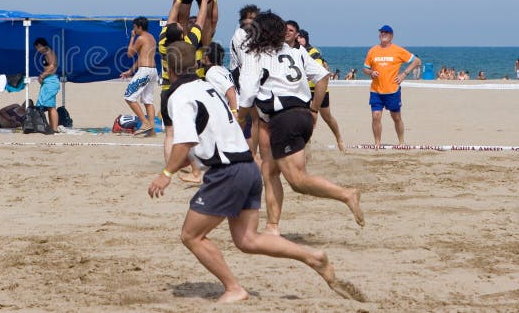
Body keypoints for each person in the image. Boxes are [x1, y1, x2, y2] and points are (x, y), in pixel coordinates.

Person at [147, 41, 363, 304]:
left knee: (191, 235)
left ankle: (234, 288)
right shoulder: (208, 87)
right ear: (196, 62)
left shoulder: (178, 97)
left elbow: (185, 142)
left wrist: (166, 173)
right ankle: (313, 257)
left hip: (227, 172)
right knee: (248, 239)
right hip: (249, 168)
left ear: (168, 69)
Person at [239, 12, 364, 236]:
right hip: (300, 116)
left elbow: (247, 95)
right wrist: (314, 109)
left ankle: (346, 194)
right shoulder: (296, 52)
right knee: (269, 171)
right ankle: (272, 227)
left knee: (297, 180)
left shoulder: (255, 55)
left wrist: (239, 122)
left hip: (284, 119)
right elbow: (323, 77)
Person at [158, 0, 214, 184]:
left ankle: (169, 168)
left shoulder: (163, 45)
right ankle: (195, 171)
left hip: (166, 92)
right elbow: (199, 21)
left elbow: (171, 21)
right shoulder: (189, 44)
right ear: (182, 34)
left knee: (169, 133)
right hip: (184, 93)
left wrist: (177, 1)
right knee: (191, 133)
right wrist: (205, 1)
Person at [363, 25, 421, 148]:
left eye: (386, 33)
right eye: (381, 32)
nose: (383, 34)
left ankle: (401, 142)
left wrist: (404, 74)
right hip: (376, 90)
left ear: (391, 36)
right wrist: (371, 73)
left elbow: (417, 61)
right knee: (376, 116)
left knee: (396, 117)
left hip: (392, 90)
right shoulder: (372, 50)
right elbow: (365, 68)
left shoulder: (398, 50)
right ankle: (377, 143)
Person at [296, 28, 345, 153]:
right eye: (298, 37)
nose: (300, 39)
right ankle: (307, 148)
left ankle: (339, 139)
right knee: (308, 121)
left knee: (327, 117)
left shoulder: (313, 51)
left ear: (306, 39)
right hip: (304, 91)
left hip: (319, 89)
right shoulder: (294, 51)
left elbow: (317, 70)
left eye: (302, 37)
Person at [229, 4, 261, 157]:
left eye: (254, 18)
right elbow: (246, 63)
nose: (250, 21)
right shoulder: (240, 35)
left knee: (255, 120)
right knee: (248, 120)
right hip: (242, 80)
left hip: (254, 80)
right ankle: (250, 154)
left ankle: (252, 153)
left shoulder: (257, 36)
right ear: (241, 20)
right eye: (247, 18)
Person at [120, 17, 158, 136]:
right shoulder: (151, 37)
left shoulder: (140, 38)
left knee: (129, 96)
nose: (133, 30)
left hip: (145, 71)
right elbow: (142, 57)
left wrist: (132, 37)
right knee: (148, 100)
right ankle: (151, 131)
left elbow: (130, 54)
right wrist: (130, 71)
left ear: (139, 27)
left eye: (134, 27)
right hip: (153, 70)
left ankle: (145, 122)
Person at [34, 38, 61, 133]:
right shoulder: (47, 53)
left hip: (51, 80)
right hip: (48, 80)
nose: (37, 50)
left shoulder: (49, 53)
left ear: (40, 45)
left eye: (37, 48)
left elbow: (53, 66)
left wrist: (42, 75)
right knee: (50, 106)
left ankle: (53, 128)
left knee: (46, 105)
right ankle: (52, 127)